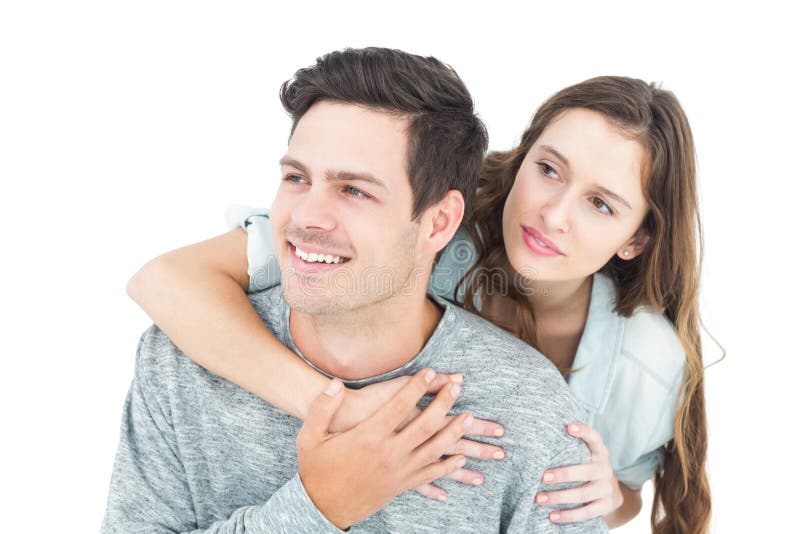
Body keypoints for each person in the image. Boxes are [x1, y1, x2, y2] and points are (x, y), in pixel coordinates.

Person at [127, 71, 712, 532]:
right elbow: (165, 280)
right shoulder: (417, 230)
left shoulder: (647, 366)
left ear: (637, 239)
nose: (553, 215)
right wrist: (331, 406)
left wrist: (609, 495)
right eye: (549, 170)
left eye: (600, 204)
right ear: (522, 157)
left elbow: (622, 495)